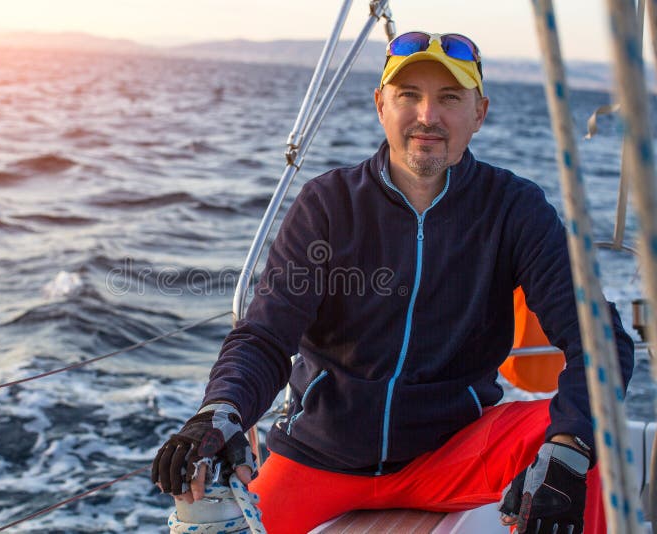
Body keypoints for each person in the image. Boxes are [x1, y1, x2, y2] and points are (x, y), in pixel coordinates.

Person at [151, 31, 634, 534]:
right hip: (321, 456)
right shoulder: (328, 205)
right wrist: (220, 410)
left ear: (480, 113)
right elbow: (266, 337)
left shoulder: (513, 209)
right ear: (381, 104)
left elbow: (600, 342)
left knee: (591, 449)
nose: (428, 116)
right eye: (409, 96)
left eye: (449, 98)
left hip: (454, 449)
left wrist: (570, 446)